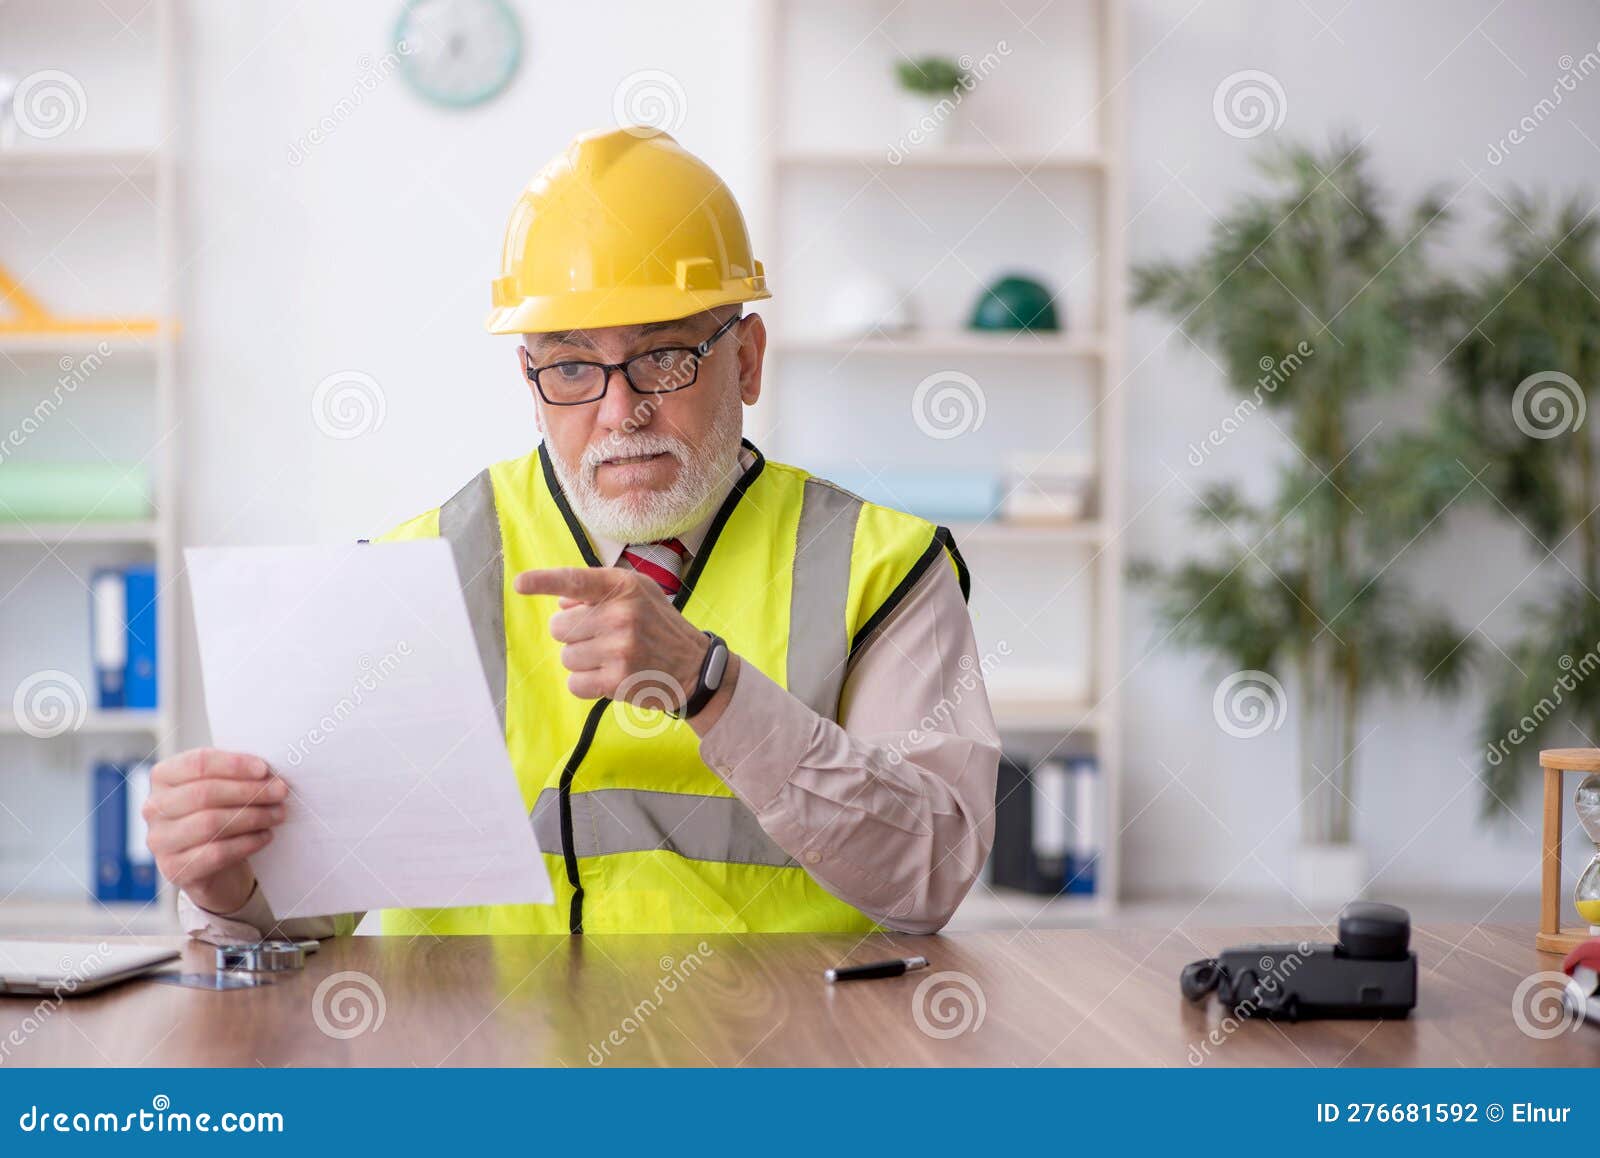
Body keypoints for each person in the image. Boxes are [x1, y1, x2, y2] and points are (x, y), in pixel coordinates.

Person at [148, 127, 1000, 939]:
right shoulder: (418, 565)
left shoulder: (882, 567)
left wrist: (711, 687)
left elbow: (929, 877)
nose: (619, 411)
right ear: (529, 375)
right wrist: (234, 891)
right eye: (571, 367)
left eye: (663, 357)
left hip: (775, 1058)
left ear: (745, 360)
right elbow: (306, 916)